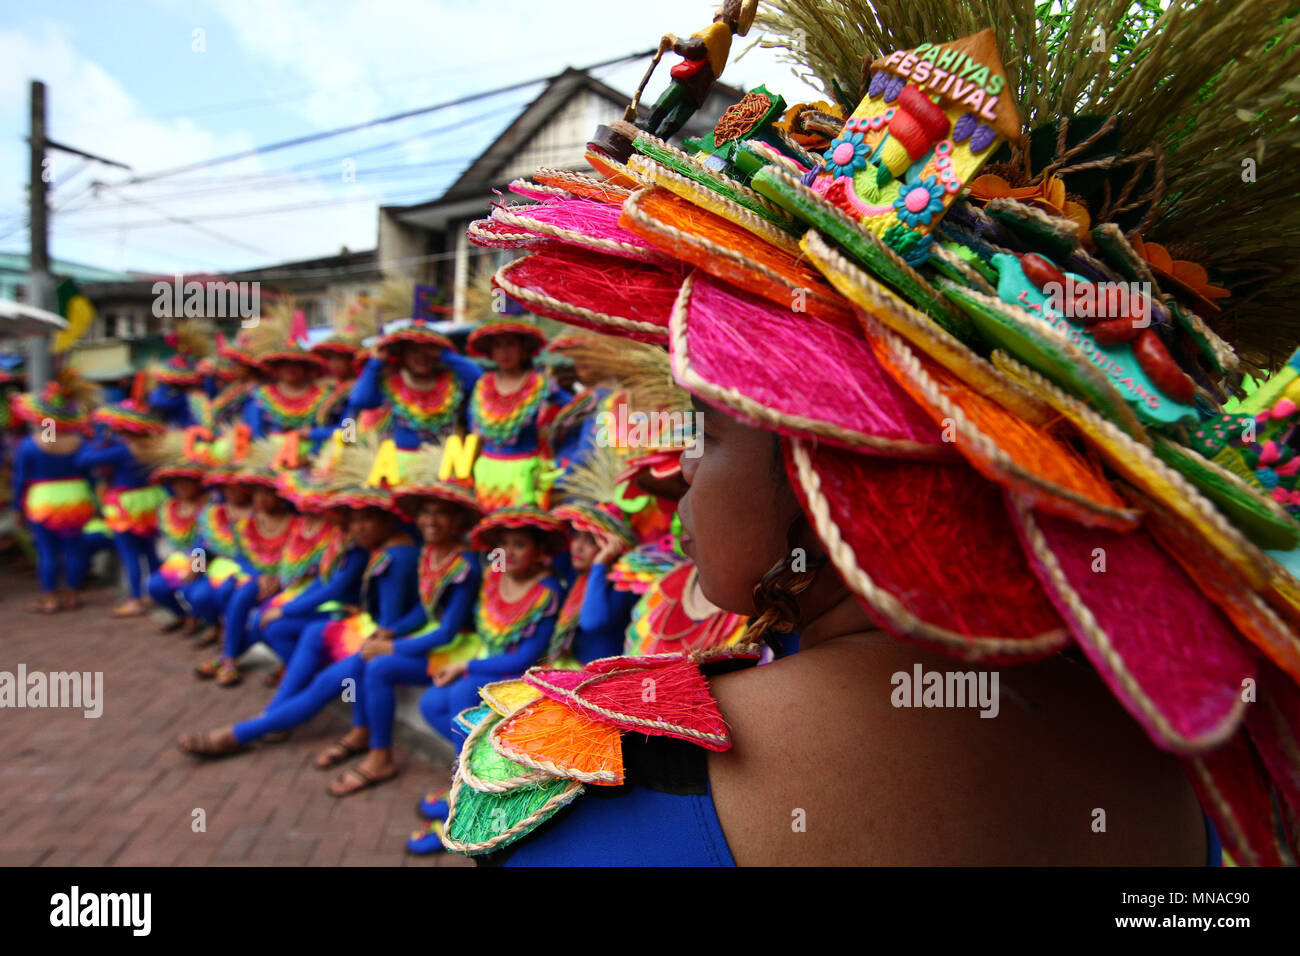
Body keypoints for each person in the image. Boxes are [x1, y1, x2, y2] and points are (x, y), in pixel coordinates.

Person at [176, 487, 421, 761]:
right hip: (369, 627)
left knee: (323, 681)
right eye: (351, 518)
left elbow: (387, 620)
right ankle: (275, 714)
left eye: (364, 520)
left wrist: (388, 632)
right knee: (307, 632)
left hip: (386, 641)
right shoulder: (370, 544)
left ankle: (243, 733)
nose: (355, 526)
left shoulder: (394, 557)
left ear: (388, 520)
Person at [326, 447, 484, 798]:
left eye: (441, 513)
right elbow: (427, 612)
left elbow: (446, 631)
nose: (431, 521)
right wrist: (392, 630)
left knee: (380, 666)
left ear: (459, 520)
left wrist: (392, 645)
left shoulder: (465, 566)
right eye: (426, 512)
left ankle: (380, 755)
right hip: (434, 638)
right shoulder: (431, 552)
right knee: (370, 661)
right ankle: (369, 740)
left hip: (458, 648)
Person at [406, 506, 565, 854]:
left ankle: (467, 808)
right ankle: (463, 783)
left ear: (540, 552)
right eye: (503, 544)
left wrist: (465, 667)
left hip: (523, 675)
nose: (508, 552)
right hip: (486, 663)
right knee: (433, 703)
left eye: (520, 544)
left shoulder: (546, 591)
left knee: (463, 698)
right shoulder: (496, 575)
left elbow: (524, 658)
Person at [10, 372, 99, 613]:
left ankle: (50, 597)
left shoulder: (30, 445)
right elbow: (90, 477)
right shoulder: (80, 442)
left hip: (44, 500)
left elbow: (21, 480)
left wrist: (18, 508)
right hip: (76, 498)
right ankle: (71, 594)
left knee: (47, 550)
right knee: (73, 548)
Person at [466, 321, 571, 510]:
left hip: (526, 475)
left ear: (524, 349)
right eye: (498, 345)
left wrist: (555, 433)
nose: (504, 352)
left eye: (510, 344)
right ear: (491, 352)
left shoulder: (539, 383)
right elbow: (473, 426)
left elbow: (574, 408)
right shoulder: (483, 384)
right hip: (487, 474)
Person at [79, 401, 167, 617]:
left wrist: (102, 438)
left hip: (125, 505)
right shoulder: (153, 448)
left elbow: (84, 459)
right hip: (150, 502)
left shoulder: (121, 450)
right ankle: (155, 595)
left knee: (130, 554)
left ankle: (135, 599)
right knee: (150, 552)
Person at [347, 319, 482, 459]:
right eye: (414, 351)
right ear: (403, 355)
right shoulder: (392, 383)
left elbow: (478, 379)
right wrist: (375, 362)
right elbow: (359, 401)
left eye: (428, 351)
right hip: (401, 467)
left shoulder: (452, 381)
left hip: (446, 463)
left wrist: (446, 355)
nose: (421, 357)